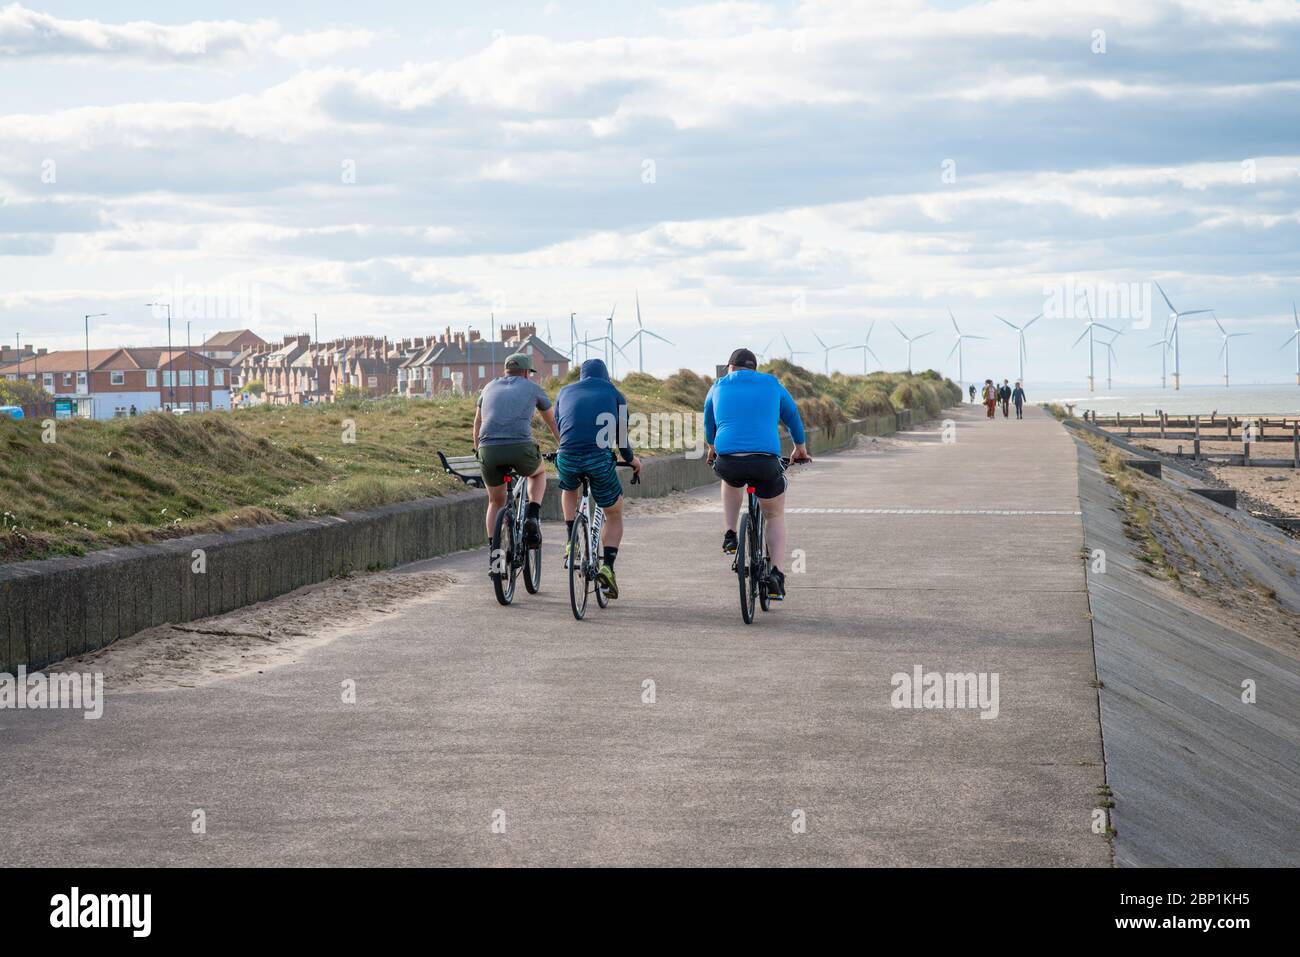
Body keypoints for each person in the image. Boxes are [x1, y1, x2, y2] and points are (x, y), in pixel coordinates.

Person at [703, 348, 811, 601]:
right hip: (765, 462)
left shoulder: (717, 386)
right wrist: (800, 448)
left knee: (730, 479)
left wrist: (711, 447)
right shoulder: (772, 384)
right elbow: (792, 416)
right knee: (774, 514)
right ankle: (776, 574)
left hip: (729, 459)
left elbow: (709, 422)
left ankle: (730, 533)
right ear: (754, 369)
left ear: (730, 367)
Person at [554, 358, 643, 599]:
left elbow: (560, 427)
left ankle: (570, 540)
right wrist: (632, 460)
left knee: (569, 487)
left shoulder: (564, 391)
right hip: (598, 459)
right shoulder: (615, 393)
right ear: (606, 377)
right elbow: (621, 439)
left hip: (567, 456)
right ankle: (608, 567)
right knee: (613, 512)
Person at [473, 353, 560, 563]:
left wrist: (479, 452)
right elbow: (553, 422)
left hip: (488, 449)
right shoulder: (533, 388)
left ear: (506, 370)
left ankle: (495, 553)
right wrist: (563, 446)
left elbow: (477, 422)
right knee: (538, 473)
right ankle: (532, 514)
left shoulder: (488, 387)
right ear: (526, 373)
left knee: (495, 501)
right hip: (520, 447)